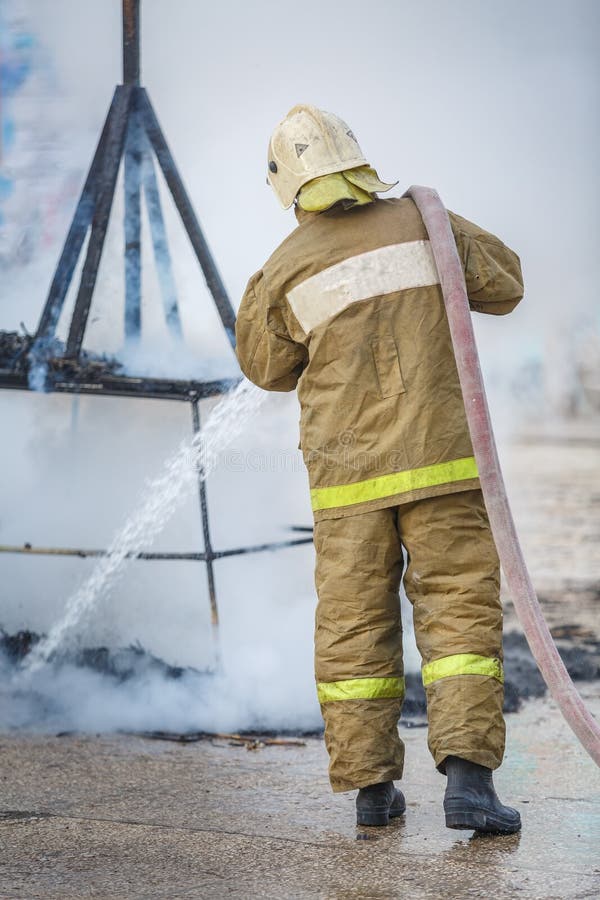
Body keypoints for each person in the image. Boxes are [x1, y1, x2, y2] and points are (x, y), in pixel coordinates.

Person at [235, 105, 524, 834]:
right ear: (358, 162)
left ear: (288, 187)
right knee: (459, 613)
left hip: (346, 482)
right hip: (443, 466)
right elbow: (506, 283)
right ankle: (469, 785)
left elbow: (265, 368)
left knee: (353, 628)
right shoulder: (428, 221)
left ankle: (373, 793)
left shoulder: (284, 266)